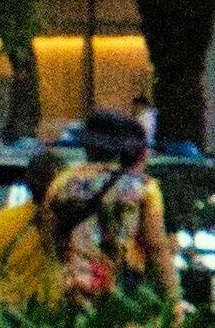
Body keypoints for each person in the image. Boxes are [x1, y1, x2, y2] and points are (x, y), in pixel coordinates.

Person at [34, 100, 177, 310]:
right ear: (120, 144)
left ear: (87, 143)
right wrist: (172, 299)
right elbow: (156, 248)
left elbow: (48, 237)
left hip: (70, 294)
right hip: (120, 297)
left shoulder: (61, 182)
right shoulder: (143, 186)